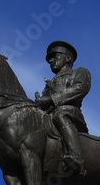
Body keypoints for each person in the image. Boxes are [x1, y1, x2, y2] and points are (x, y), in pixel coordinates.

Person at [34, 40, 91, 175]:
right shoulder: (49, 84)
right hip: (50, 116)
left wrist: (51, 99)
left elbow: (81, 88)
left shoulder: (79, 71)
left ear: (68, 58)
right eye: (50, 58)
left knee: (60, 114)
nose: (51, 61)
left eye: (55, 56)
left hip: (70, 113)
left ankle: (76, 157)